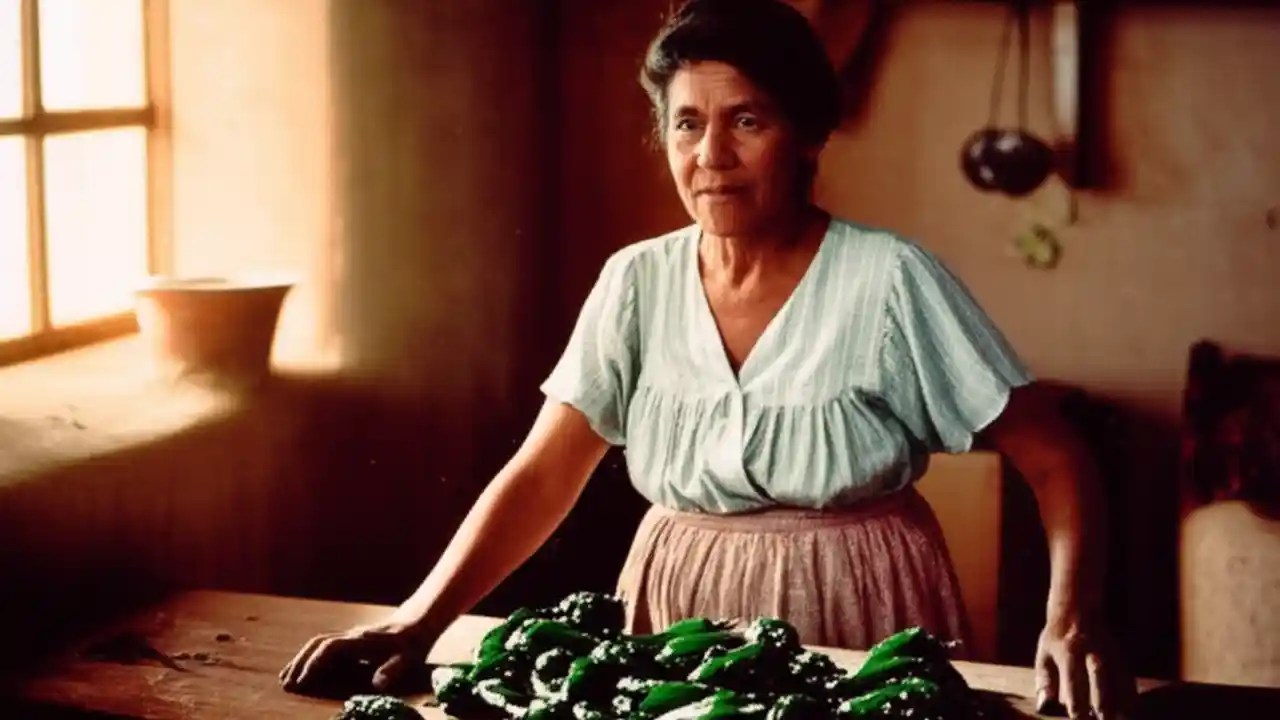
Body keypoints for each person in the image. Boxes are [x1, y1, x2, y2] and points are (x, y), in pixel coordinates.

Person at [281, 0, 1133, 716]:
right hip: (675, 611)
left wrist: (1073, 616)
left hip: (859, 607)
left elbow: (1056, 458)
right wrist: (417, 620)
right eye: (687, 124)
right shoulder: (636, 282)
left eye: (747, 121)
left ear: (809, 135)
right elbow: (544, 474)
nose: (711, 157)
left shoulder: (891, 280)